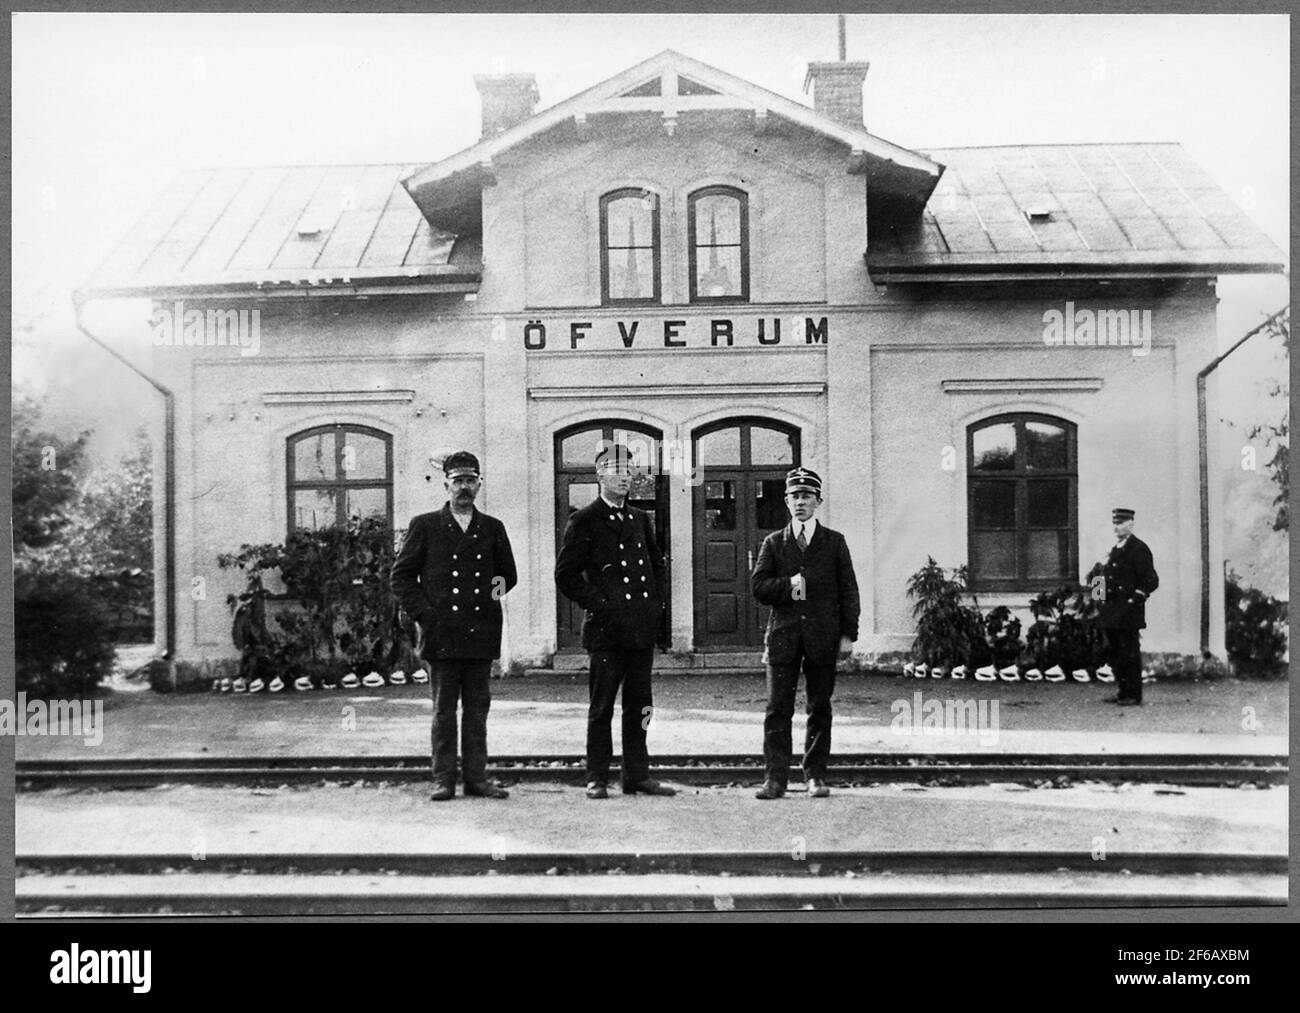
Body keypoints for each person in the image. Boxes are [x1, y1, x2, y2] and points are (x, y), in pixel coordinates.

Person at [391, 451, 517, 800]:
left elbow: (508, 576)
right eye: (457, 480)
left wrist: (485, 604)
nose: (464, 487)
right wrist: (426, 614)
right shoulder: (426, 525)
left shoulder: (493, 528)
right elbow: (401, 577)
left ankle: (477, 779)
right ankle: (443, 779)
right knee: (444, 711)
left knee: (477, 711)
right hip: (441, 633)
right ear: (446, 484)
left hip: (479, 634)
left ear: (479, 484)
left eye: (470, 480)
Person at [555, 442, 675, 799]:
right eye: (616, 470)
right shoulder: (584, 520)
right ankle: (596, 777)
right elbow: (566, 575)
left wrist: (655, 607)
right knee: (602, 707)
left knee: (641, 707)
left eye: (629, 469)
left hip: (639, 630)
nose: (625, 477)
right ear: (599, 475)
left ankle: (637, 776)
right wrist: (601, 605)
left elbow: (656, 565)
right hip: (607, 632)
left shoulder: (640, 519)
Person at [750, 467, 860, 799]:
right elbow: (758, 587)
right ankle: (776, 779)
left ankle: (815, 776)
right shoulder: (773, 542)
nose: (800, 502)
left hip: (822, 637)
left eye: (807, 497)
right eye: (795, 497)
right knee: (777, 709)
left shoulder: (834, 542)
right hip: (783, 636)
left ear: (818, 502)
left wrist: (848, 635)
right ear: (786, 501)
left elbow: (848, 591)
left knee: (819, 707)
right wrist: (790, 585)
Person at [1087, 507, 1158, 706]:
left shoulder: (1138, 549)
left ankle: (1133, 695)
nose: (1116, 528)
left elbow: (1151, 580)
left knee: (1130, 653)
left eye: (1121, 523)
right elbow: (1098, 576)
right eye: (1115, 524)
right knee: (1116, 653)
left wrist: (1136, 598)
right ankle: (1122, 691)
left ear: (1131, 524)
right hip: (1111, 611)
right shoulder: (1113, 550)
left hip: (1128, 611)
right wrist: (1098, 600)